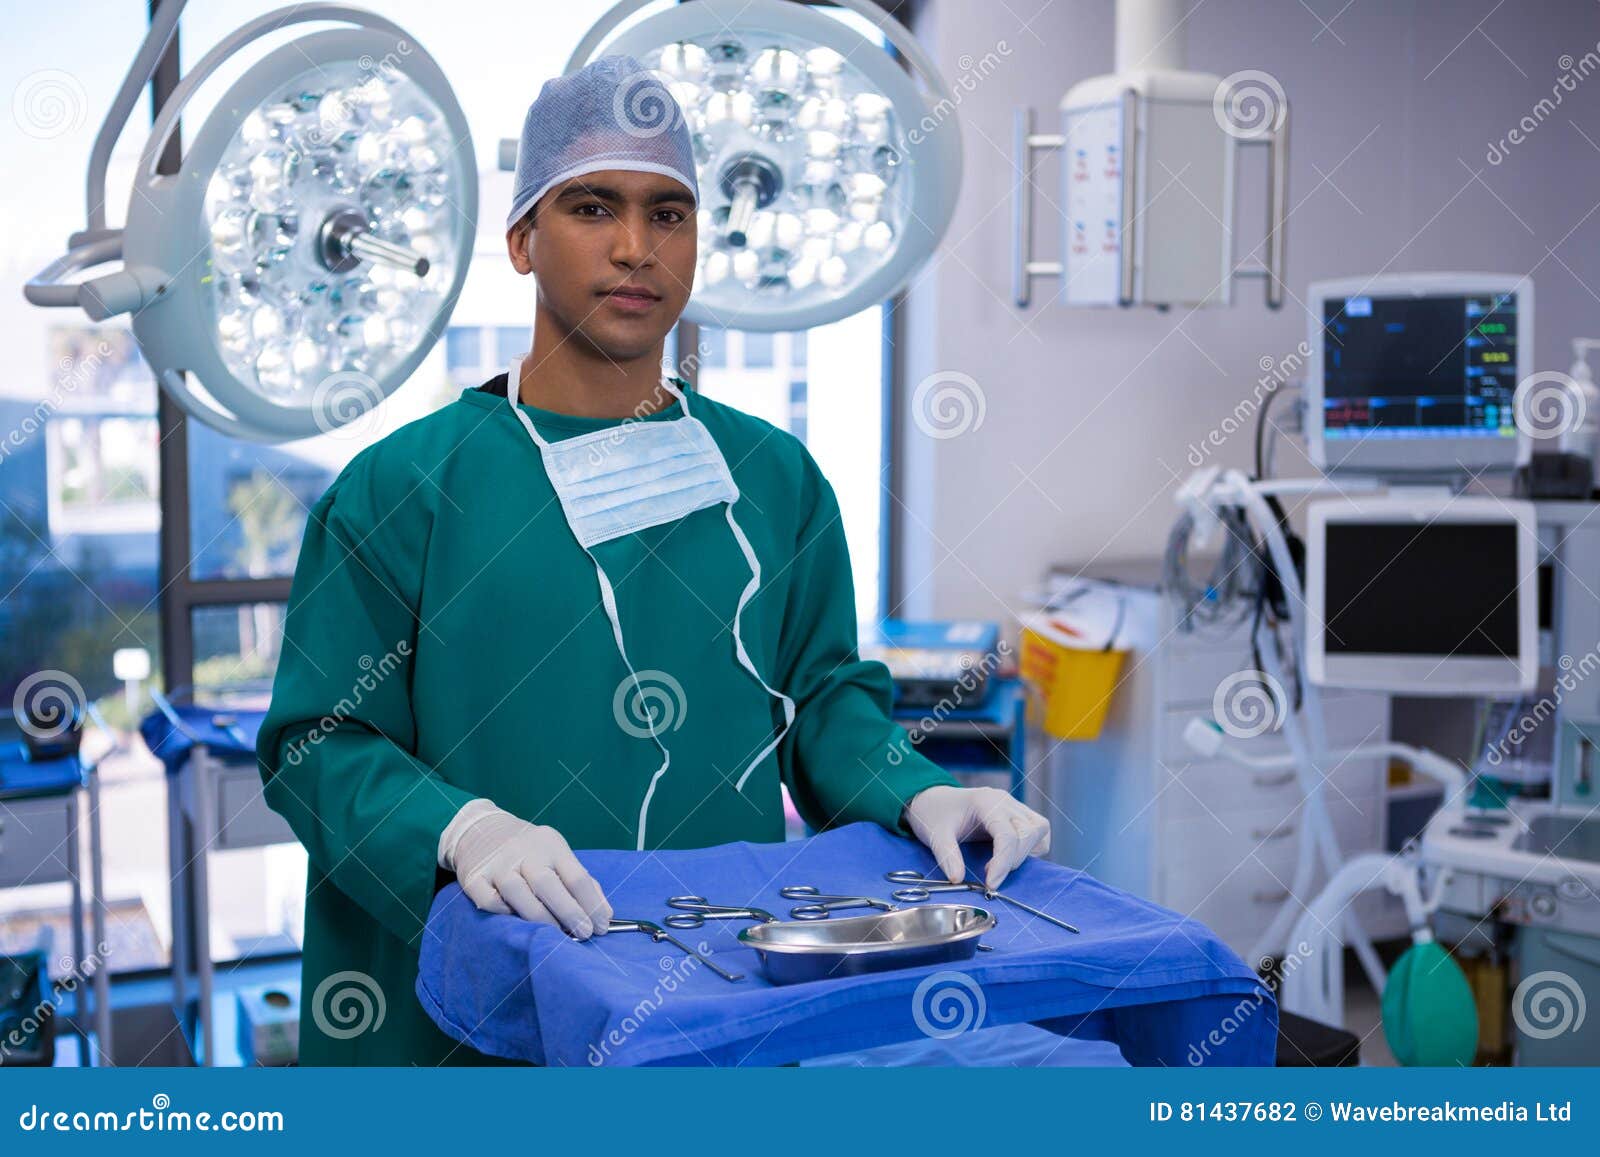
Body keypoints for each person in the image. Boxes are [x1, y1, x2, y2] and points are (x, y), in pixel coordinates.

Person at [256, 54, 1050, 1066]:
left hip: (708, 1004)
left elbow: (825, 703)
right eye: (593, 207)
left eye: (668, 214)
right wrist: (459, 829)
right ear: (520, 239)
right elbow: (315, 746)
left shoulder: (773, 480)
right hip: (460, 1031)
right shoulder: (403, 487)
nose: (636, 247)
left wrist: (917, 788)